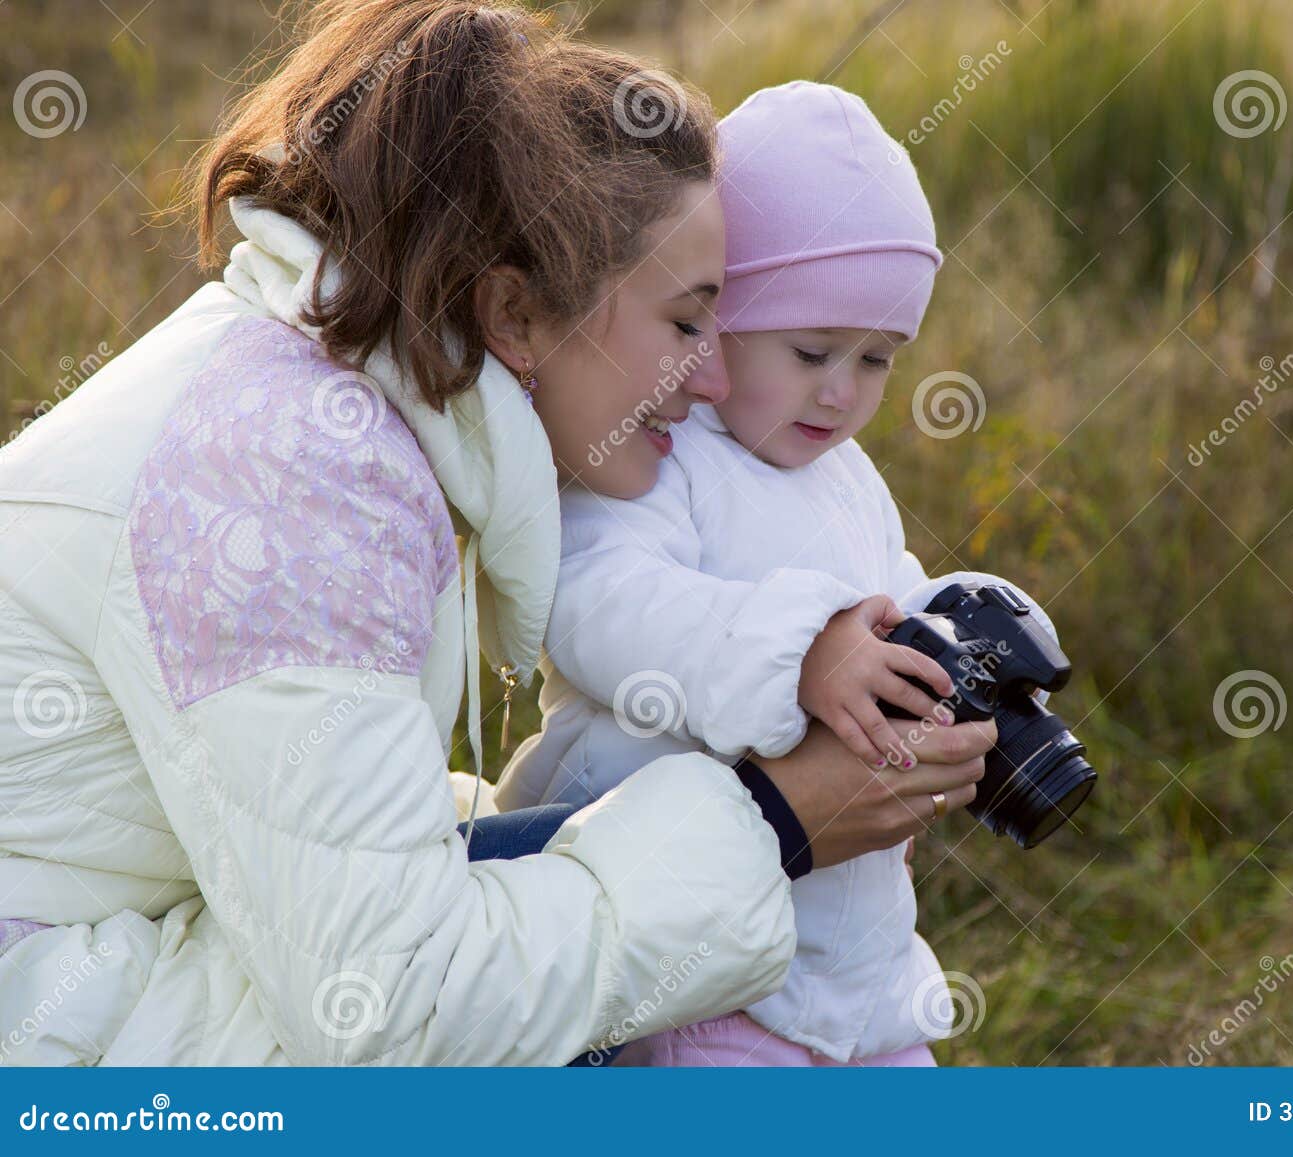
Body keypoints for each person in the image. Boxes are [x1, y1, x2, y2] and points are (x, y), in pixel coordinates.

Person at [0, 1, 992, 1067]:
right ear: (514, 312)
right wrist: (774, 821)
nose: (711, 377)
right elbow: (385, 1008)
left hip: (93, 955)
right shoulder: (283, 477)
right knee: (560, 967)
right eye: (684, 320)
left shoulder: (327, 398)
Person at [493, 82, 1058, 1067]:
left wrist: (951, 643)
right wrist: (805, 651)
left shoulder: (847, 478)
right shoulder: (651, 449)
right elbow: (598, 604)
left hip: (862, 966)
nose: (840, 393)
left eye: (878, 360)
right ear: (716, 315)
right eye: (809, 351)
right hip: (703, 977)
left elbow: (883, 602)